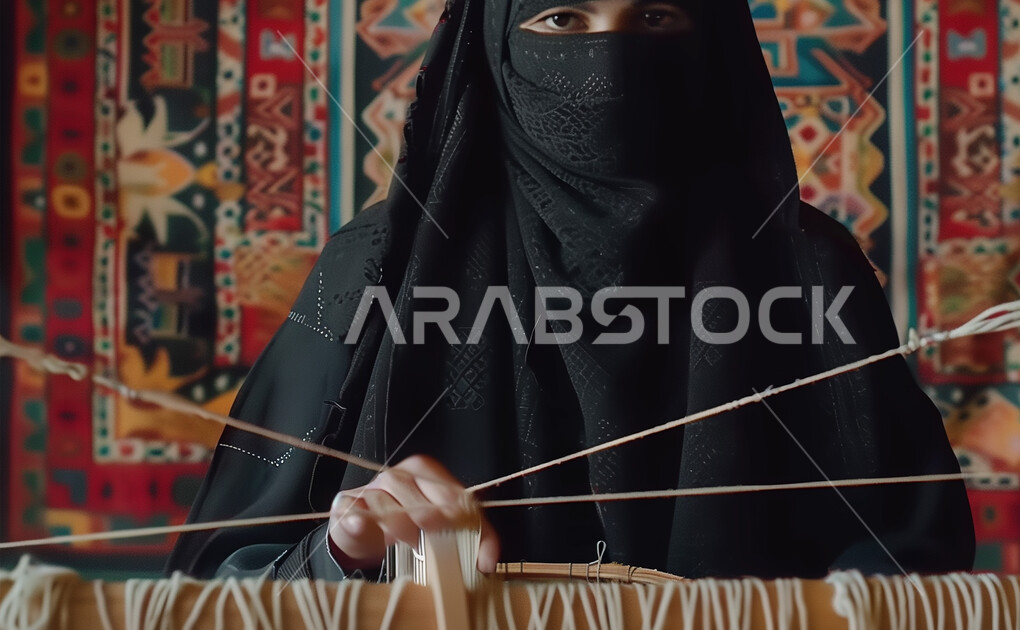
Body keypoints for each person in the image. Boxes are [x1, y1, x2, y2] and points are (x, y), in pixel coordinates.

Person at [165, 0, 976, 581]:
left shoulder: (807, 266)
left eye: (654, 16)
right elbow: (213, 591)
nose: (610, 64)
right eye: (562, 19)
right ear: (496, 44)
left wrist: (857, 594)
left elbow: (917, 556)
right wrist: (345, 548)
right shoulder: (378, 265)